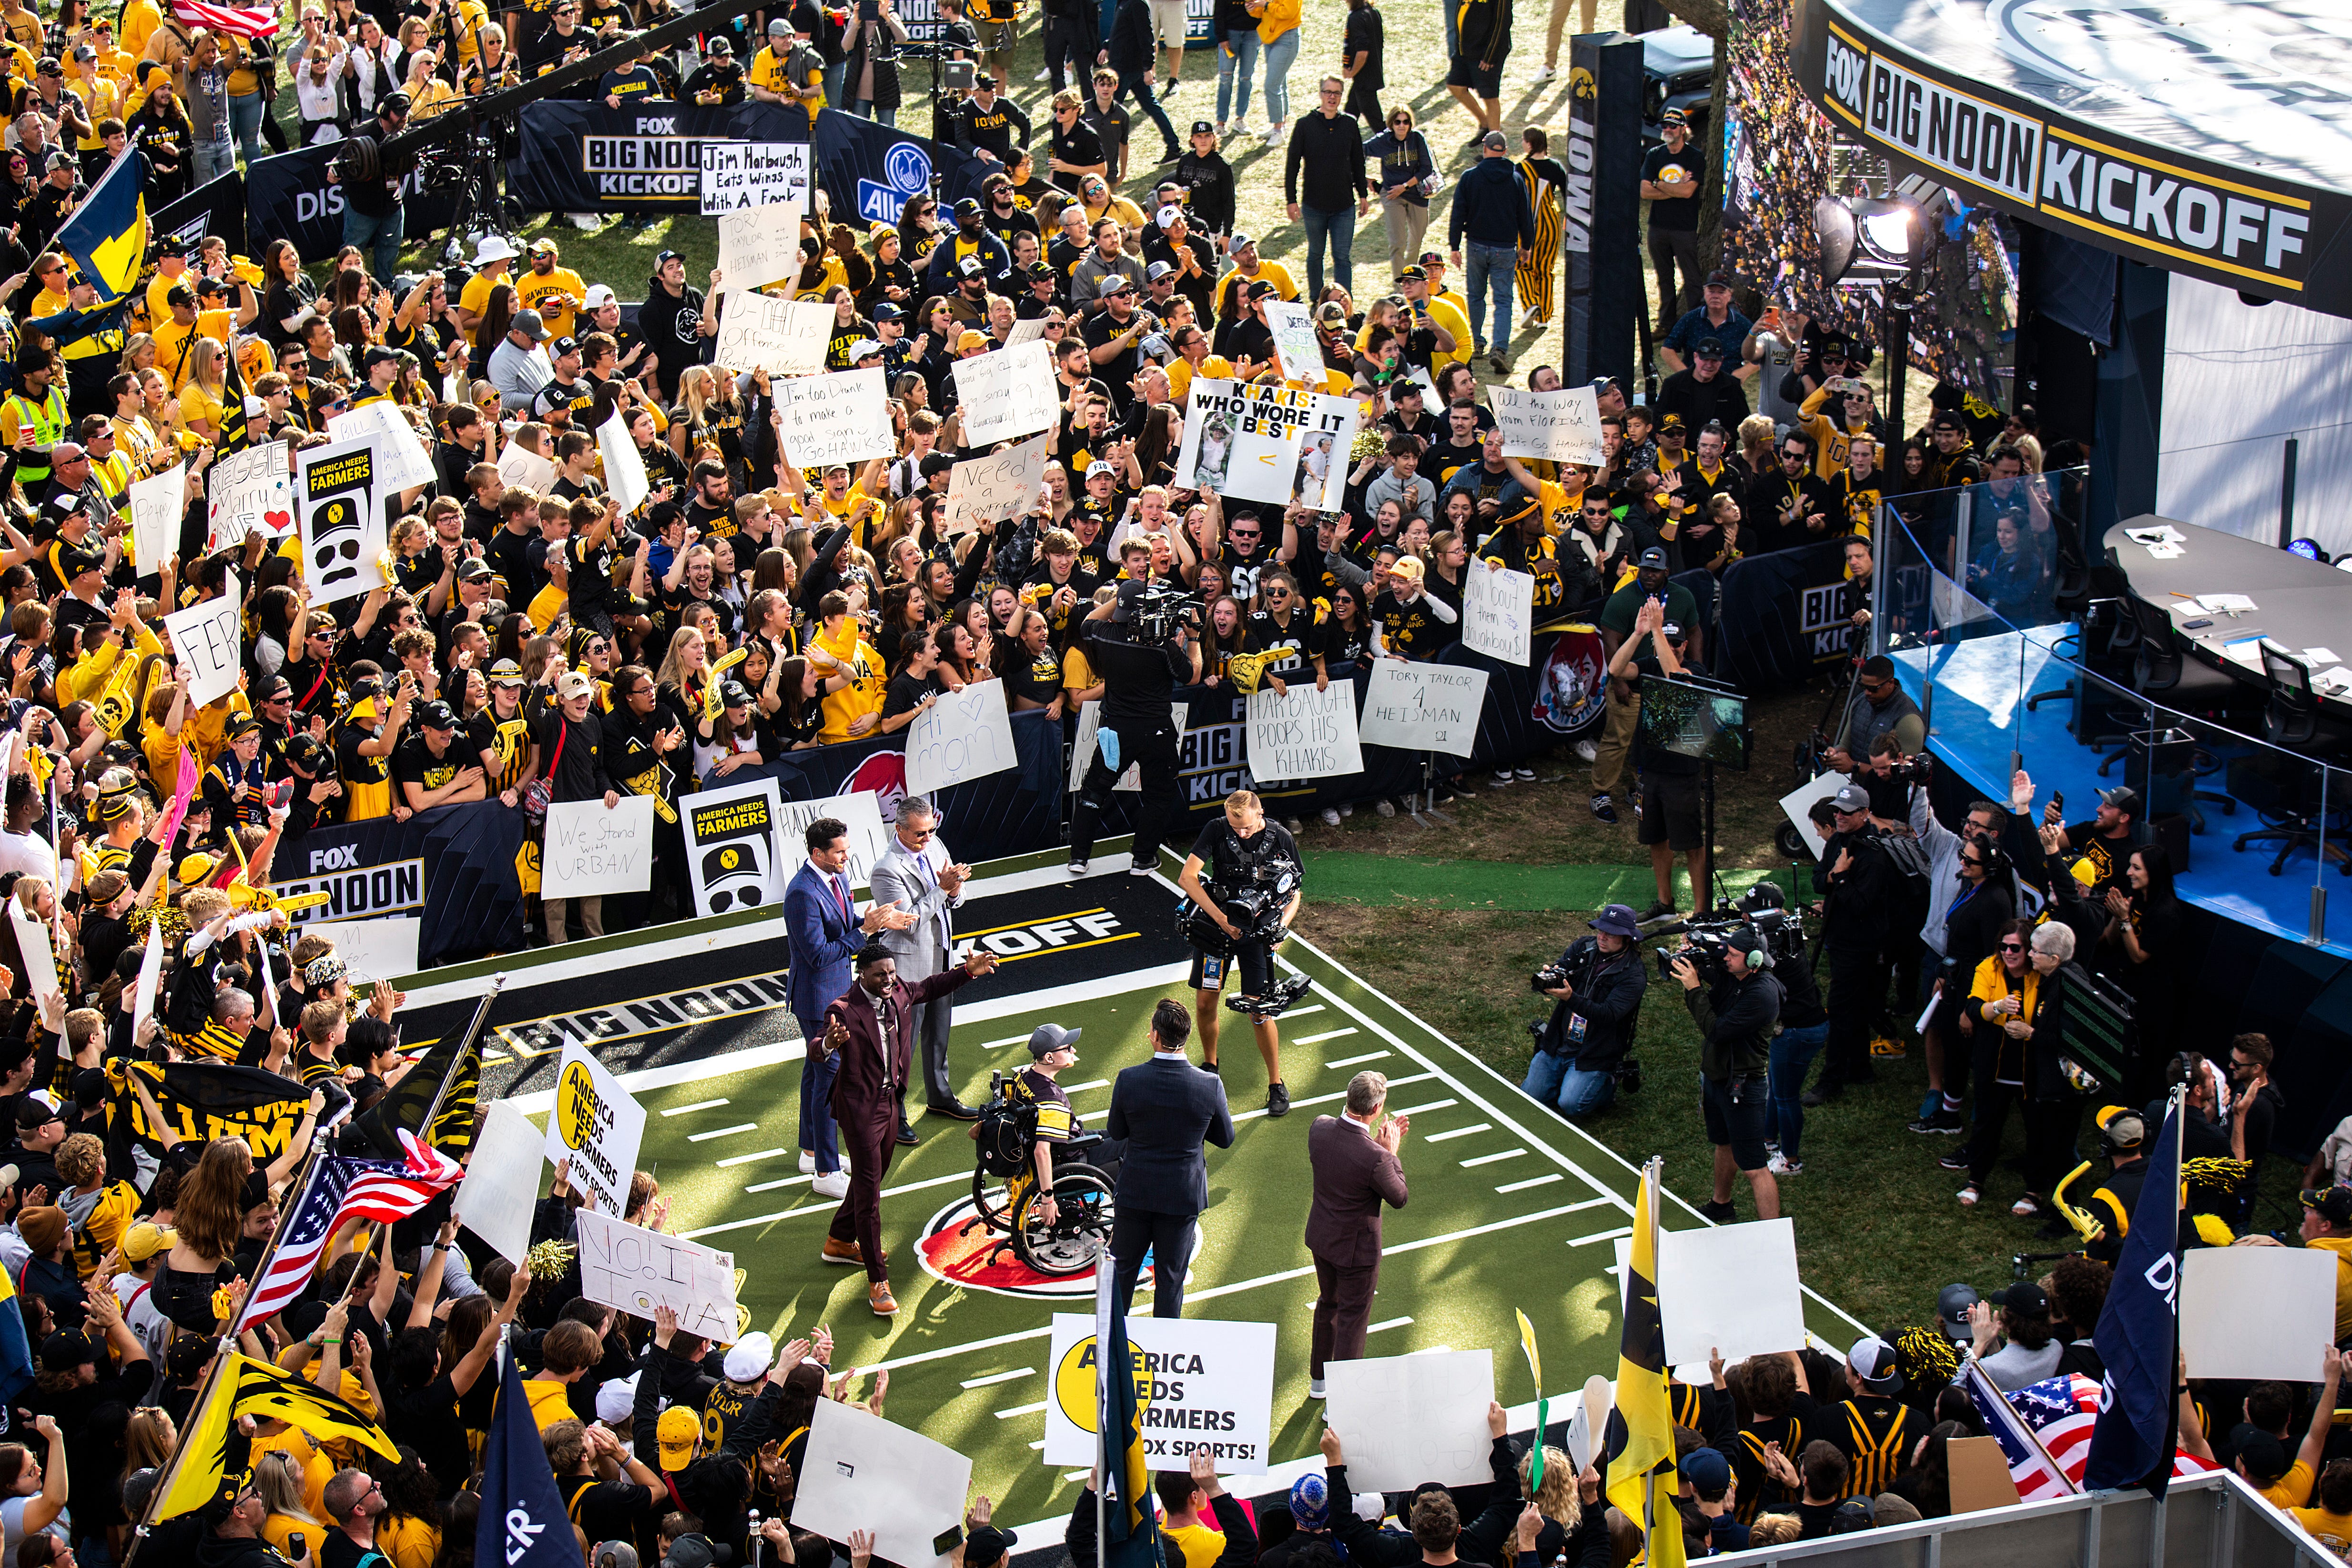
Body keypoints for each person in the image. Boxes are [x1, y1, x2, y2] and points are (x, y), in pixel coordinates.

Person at [817, 941, 998, 1316]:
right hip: (860, 1110)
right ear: (861, 974)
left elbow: (931, 986)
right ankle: (878, 1281)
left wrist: (969, 972)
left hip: (890, 1102)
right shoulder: (843, 1010)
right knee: (870, 1195)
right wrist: (827, 1047)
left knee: (873, 1176)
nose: (888, 979)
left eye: (891, 971)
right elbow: (818, 1047)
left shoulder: (899, 991)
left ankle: (838, 1240)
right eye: (879, 974)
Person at [784, 815, 916, 1202]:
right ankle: (826, 1170)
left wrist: (876, 920)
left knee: (816, 1072)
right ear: (817, 853)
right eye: (839, 852)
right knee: (830, 1078)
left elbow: (844, 925)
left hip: (835, 991)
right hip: (816, 996)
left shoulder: (836, 877)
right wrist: (864, 932)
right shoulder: (801, 894)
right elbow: (817, 954)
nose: (846, 857)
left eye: (846, 849)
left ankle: (811, 1152)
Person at [1176, 789, 1310, 1116]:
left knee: (1260, 1009)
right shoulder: (1215, 828)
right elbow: (1187, 877)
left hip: (1256, 935)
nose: (1242, 833)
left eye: (1247, 828)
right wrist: (1221, 919)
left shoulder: (1280, 836)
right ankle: (1210, 1065)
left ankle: (1276, 1082)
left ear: (1260, 812)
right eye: (1237, 829)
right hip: (1217, 929)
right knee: (1206, 1000)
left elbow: (1295, 891)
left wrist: (1279, 927)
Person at [1105, 997, 1234, 1318]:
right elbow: (1226, 1138)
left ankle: (1113, 1351)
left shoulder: (1129, 1078)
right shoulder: (1210, 1084)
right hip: (1181, 1195)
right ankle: (1164, 1356)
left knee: (1121, 1274)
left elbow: (1116, 1132)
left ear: (1155, 1036)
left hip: (1136, 1191)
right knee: (1171, 1279)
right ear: (1186, 1037)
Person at [1066, 581, 1201, 877]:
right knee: (1157, 795)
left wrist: (1121, 599)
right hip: (1157, 734)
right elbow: (1192, 676)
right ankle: (1143, 858)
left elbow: (1089, 621)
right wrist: (1194, 638)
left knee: (1094, 791)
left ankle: (1079, 857)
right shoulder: (1163, 647)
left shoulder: (1107, 636)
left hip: (1116, 732)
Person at [866, 796, 979, 1128]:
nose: (927, 838)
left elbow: (955, 901)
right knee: (902, 1044)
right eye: (919, 834)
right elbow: (909, 922)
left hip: (941, 955)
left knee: (938, 1034)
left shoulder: (936, 844)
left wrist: (956, 889)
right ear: (899, 829)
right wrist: (943, 890)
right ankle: (893, 1111)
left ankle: (940, 1095)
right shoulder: (885, 869)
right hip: (907, 966)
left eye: (931, 830)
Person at [1303, 1069, 1409, 1396]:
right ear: (1376, 1110)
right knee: (1352, 1320)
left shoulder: (1319, 1127)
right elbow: (1399, 1196)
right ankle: (1341, 1401)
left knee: (1328, 1304)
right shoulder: (1377, 1158)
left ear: (1349, 1098)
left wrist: (1376, 1151)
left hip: (1322, 1238)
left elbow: (1346, 1160)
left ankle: (1318, 1384)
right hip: (1356, 1253)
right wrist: (1391, 1153)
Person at [1674, 925, 1781, 1221]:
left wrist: (1694, 989)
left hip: (1743, 1088)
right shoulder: (1737, 976)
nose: (1727, 959)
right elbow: (1718, 973)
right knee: (1724, 1144)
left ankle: (1771, 1234)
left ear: (1755, 960)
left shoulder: (1762, 995)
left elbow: (1717, 1030)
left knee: (1754, 1166)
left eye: (1734, 955)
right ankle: (1722, 1204)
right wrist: (1694, 963)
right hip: (1719, 1079)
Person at [1520, 902, 1646, 1120]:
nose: (1603, 937)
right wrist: (1552, 978)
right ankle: (1568, 1079)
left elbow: (1607, 1014)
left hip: (1596, 1052)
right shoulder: (1583, 948)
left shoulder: (1633, 976)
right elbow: (1562, 967)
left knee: (1571, 1105)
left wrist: (1571, 998)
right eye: (1601, 930)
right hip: (1559, 1042)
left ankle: (1608, 1084)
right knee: (1530, 1098)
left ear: (1627, 938)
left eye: (1611, 933)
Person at [1447, 130, 1532, 373]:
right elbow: (1525, 217)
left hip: (1475, 245)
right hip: (1505, 249)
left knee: (1475, 296)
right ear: (1505, 152)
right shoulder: (1516, 180)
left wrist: (1454, 246)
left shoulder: (1470, 177)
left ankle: (1475, 343)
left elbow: (1458, 214)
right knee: (1504, 300)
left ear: (1484, 148)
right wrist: (1526, 246)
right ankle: (1500, 349)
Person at [1284, 77, 1369, 300]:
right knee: (1315, 254)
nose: (1333, 97)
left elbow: (1358, 162)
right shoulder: (1305, 125)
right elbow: (1292, 163)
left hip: (1344, 206)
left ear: (1342, 96)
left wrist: (1363, 195)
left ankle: (1344, 302)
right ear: (1321, 94)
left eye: (1337, 93)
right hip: (1314, 205)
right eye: (1328, 92)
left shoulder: (1350, 124)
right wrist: (1290, 199)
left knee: (1342, 257)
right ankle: (1316, 299)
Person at [1642, 108, 1703, 328]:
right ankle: (1665, 324)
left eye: (1673, 126)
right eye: (1665, 126)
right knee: (1664, 279)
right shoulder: (1655, 155)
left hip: (1684, 228)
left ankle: (1696, 324)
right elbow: (1644, 191)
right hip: (1657, 227)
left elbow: (1689, 192)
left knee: (1693, 280)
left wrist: (1659, 184)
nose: (1667, 129)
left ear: (1683, 130)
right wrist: (1675, 186)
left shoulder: (1695, 157)